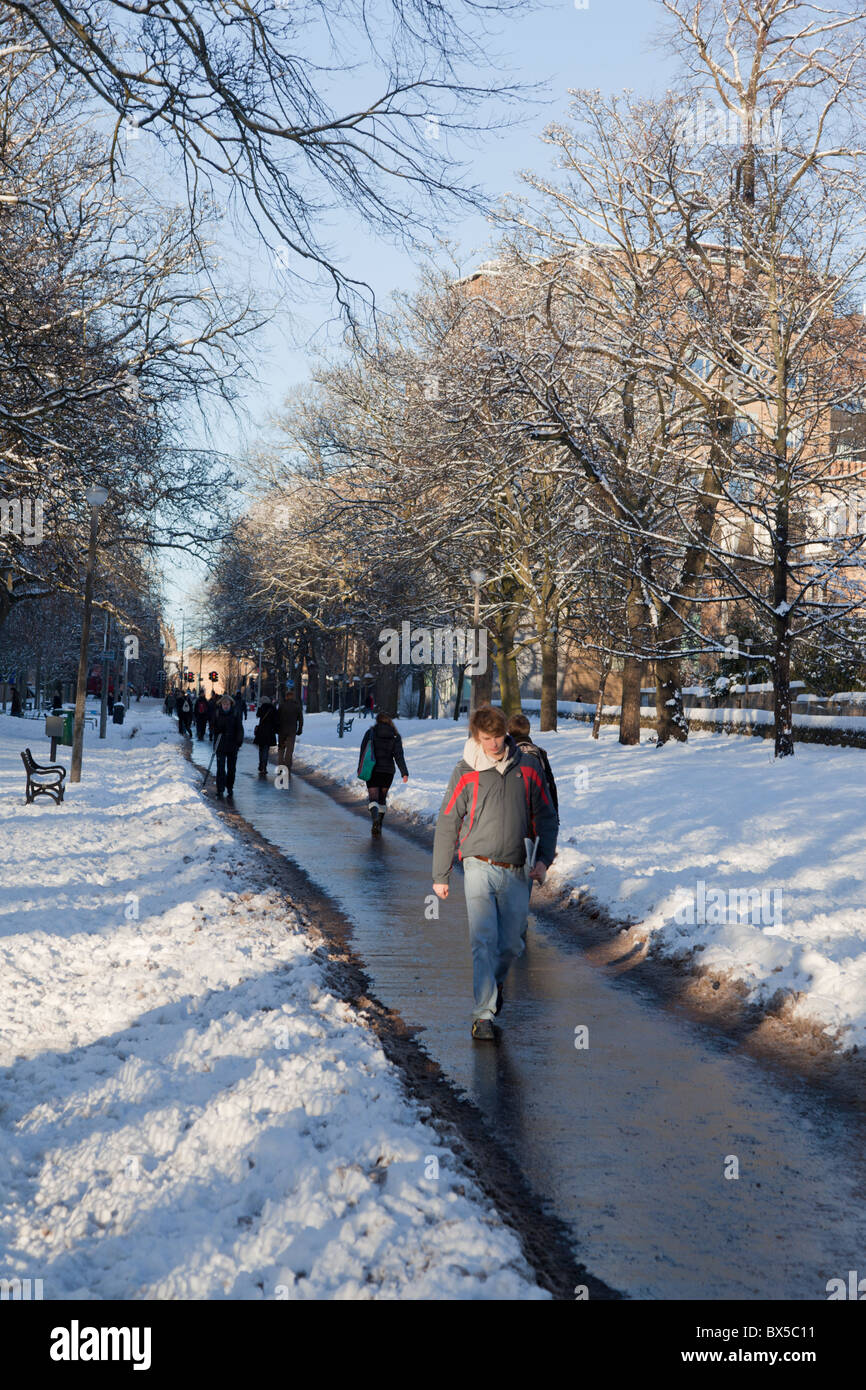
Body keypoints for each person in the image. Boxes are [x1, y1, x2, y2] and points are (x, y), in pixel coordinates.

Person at [432, 704, 558, 1041]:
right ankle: (483, 1015)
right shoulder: (465, 771)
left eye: (498, 736)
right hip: (477, 864)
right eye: (486, 738)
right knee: (483, 939)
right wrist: (441, 875)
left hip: (518, 866)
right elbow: (448, 821)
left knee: (511, 944)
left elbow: (547, 815)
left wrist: (544, 859)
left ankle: (495, 983)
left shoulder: (528, 767)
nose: (493, 744)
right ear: (476, 736)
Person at [357, 711, 408, 835]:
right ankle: (379, 823)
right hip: (388, 772)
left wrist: (360, 767)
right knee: (382, 798)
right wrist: (404, 772)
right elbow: (399, 756)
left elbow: (363, 751)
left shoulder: (370, 733)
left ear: (377, 721)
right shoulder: (395, 736)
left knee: (373, 798)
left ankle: (374, 819)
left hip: (372, 769)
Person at [506, 713, 559, 818]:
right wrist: (554, 815)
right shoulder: (539, 753)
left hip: (512, 811)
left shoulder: (504, 753)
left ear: (509, 731)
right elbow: (550, 784)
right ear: (528, 731)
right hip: (537, 810)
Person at [212, 693, 244, 799]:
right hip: (220, 744)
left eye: (227, 704)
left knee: (231, 769)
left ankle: (230, 787)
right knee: (220, 768)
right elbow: (212, 727)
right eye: (224, 704)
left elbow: (239, 728)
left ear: (231, 704)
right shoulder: (217, 713)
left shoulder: (235, 714)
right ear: (221, 704)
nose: (225, 706)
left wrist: (239, 741)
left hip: (232, 745)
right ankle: (220, 789)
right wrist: (217, 730)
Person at [276, 684, 304, 771]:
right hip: (292, 730)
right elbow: (300, 719)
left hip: (282, 730)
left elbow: (277, 717)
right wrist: (299, 729)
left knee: (281, 748)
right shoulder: (297, 706)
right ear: (293, 697)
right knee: (289, 749)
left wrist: (277, 728)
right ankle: (287, 766)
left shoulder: (282, 705)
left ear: (286, 697)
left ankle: (280, 765)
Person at [252, 695, 279, 776]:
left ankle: (261, 764)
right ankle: (264, 767)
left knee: (261, 749)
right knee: (266, 750)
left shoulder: (262, 708)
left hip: (261, 731)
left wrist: (260, 707)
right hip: (270, 732)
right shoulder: (273, 708)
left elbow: (258, 715)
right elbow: (276, 720)